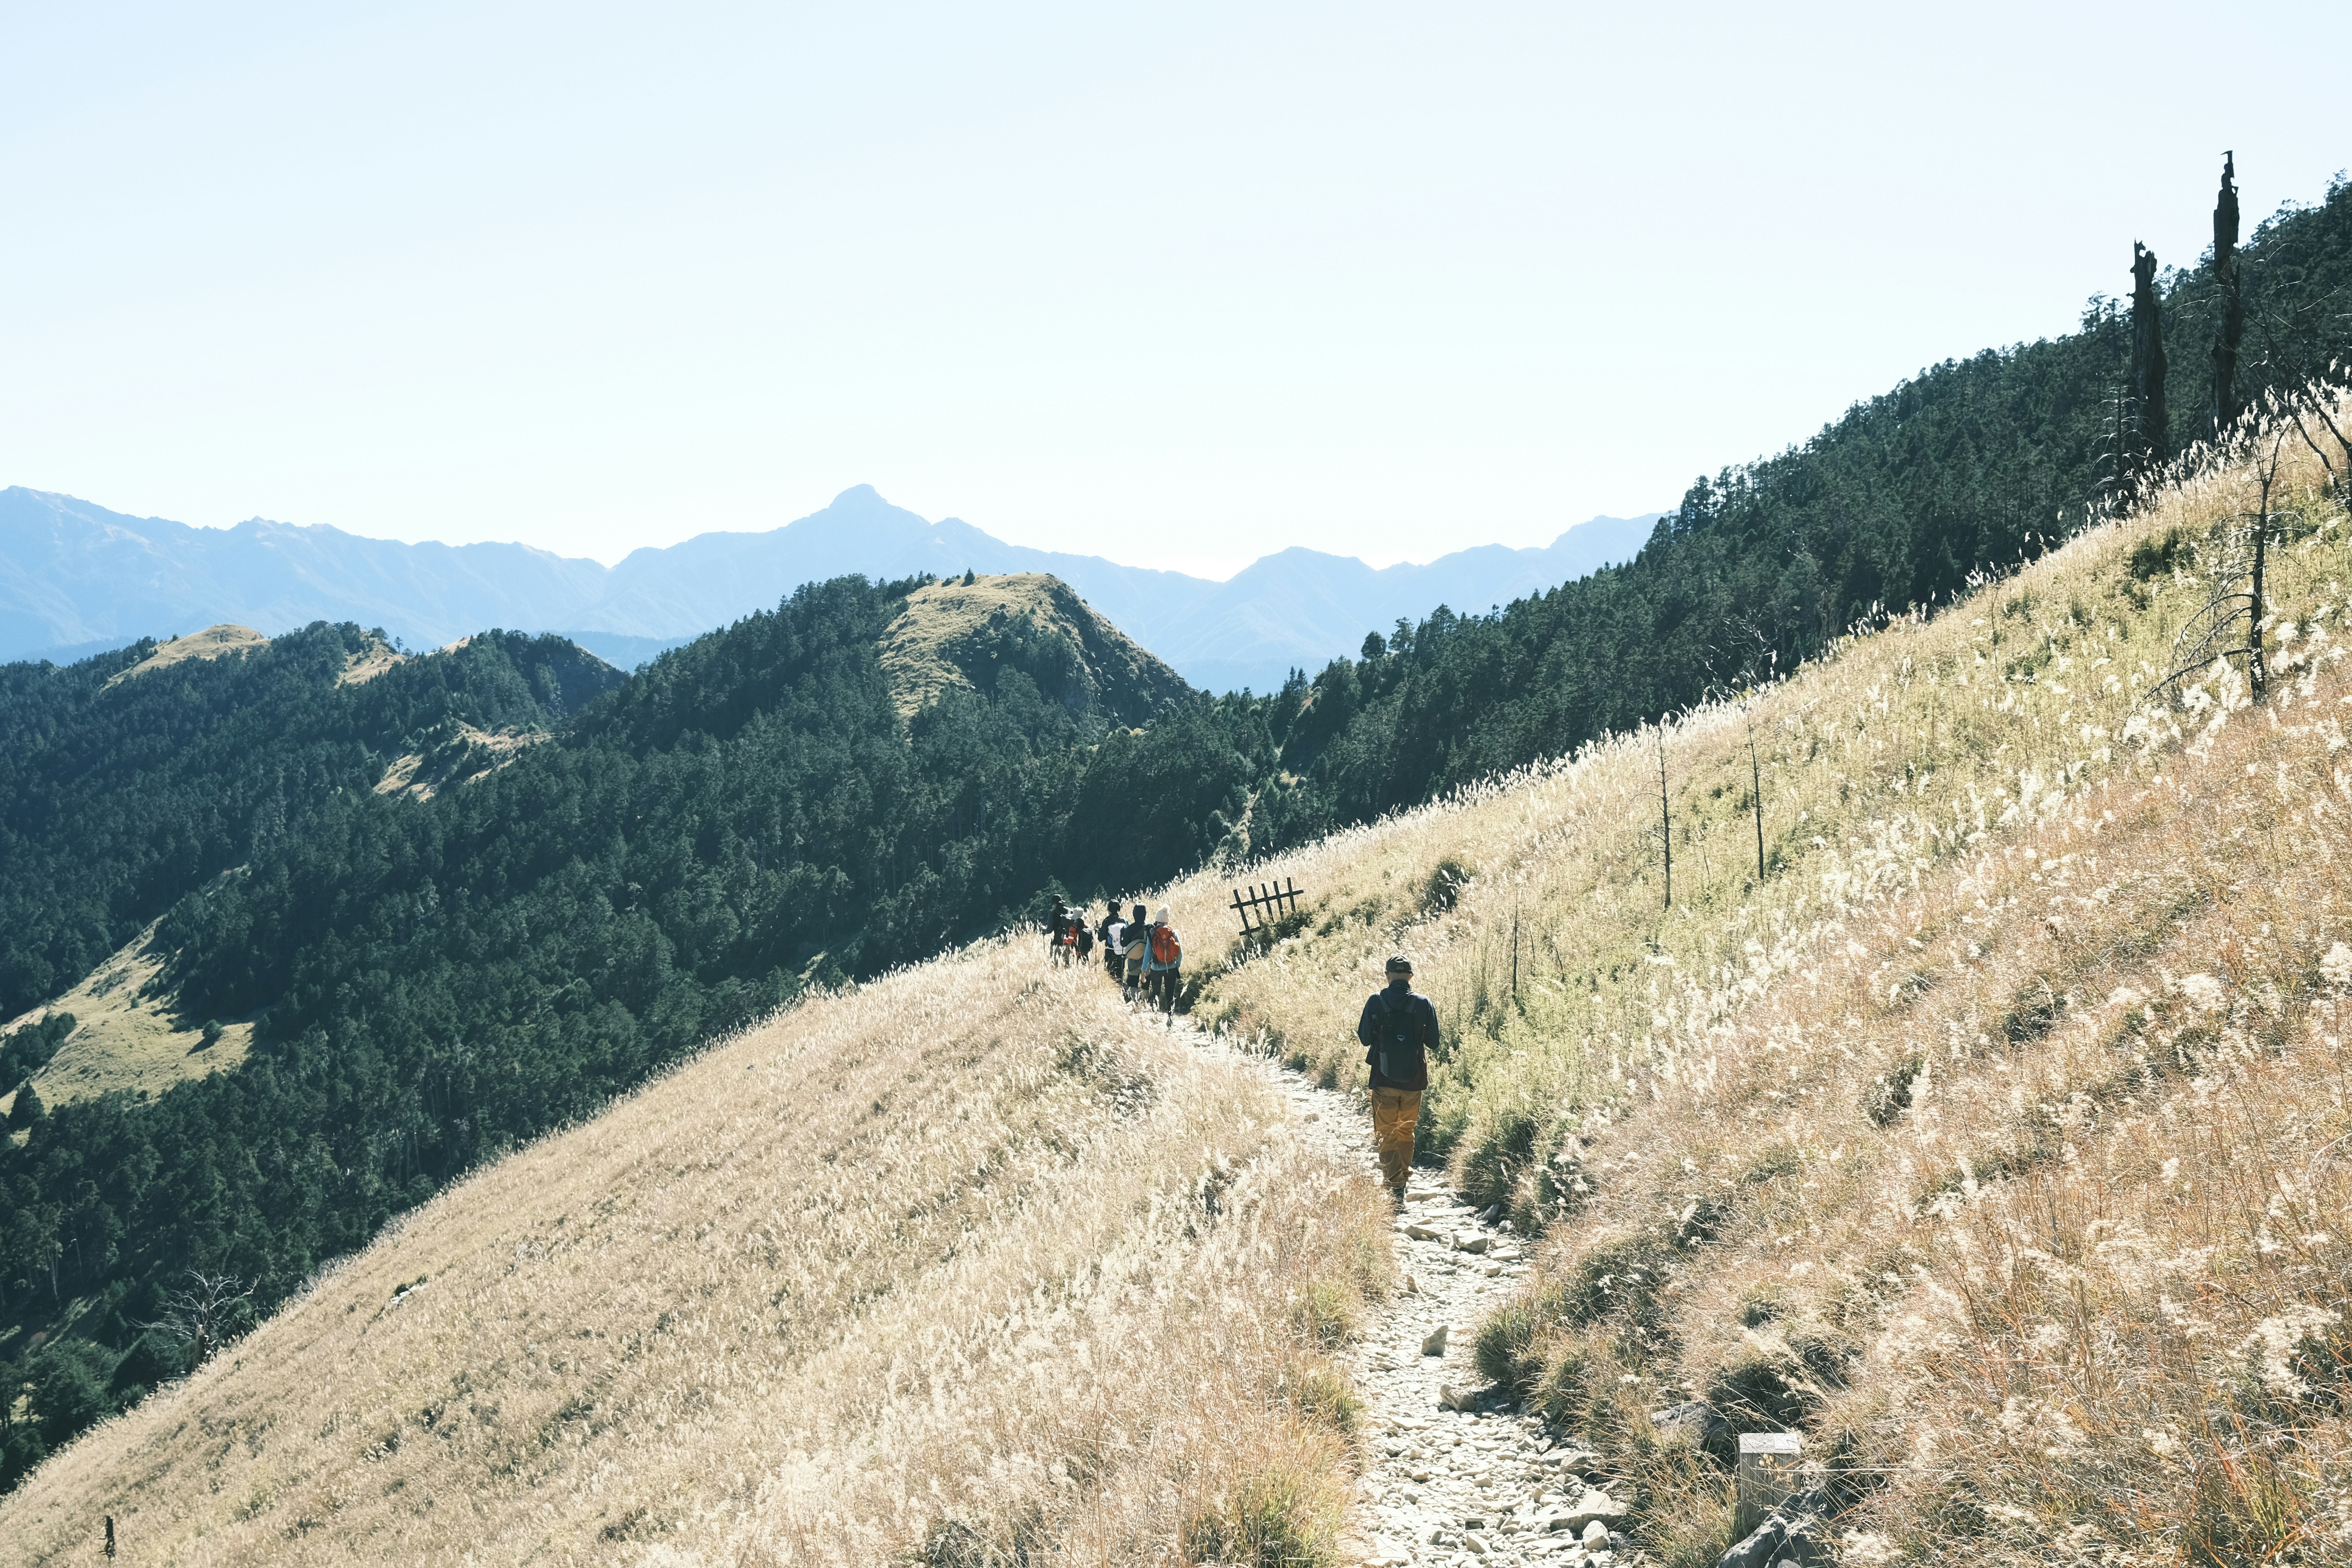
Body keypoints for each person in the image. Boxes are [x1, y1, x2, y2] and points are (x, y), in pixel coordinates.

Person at [1357, 956, 1438, 1205]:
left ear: (1387, 976)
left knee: (1387, 1133)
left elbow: (1365, 1039)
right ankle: (1401, 1177)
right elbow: (1434, 1042)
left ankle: (1395, 1186)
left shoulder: (1376, 1002)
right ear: (1411, 977)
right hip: (1414, 1082)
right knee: (1406, 1131)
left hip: (1384, 1081)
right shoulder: (1424, 1003)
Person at [1143, 903, 1182, 1012]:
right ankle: (1170, 1015)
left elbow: (1147, 954)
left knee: (1156, 993)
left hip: (1156, 969)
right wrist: (1176, 967)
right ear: (1167, 920)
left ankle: (1155, 1014)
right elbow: (1180, 954)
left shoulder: (1152, 933)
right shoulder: (1173, 933)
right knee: (1170, 995)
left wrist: (1143, 971)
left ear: (1157, 920)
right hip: (1172, 968)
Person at [1122, 902, 1150, 1000]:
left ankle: (1135, 1002)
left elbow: (1124, 944)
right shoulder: (1150, 927)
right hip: (1148, 962)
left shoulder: (1131, 928)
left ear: (1134, 915)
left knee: (1132, 983)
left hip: (1133, 961)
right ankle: (1145, 1002)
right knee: (1145, 984)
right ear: (1145, 914)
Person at [1098, 900, 1126, 979]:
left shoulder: (1107, 921)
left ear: (1109, 910)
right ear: (1119, 909)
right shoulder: (1124, 921)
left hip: (1110, 951)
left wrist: (1098, 931)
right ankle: (1121, 988)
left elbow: (1101, 938)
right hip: (1122, 951)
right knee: (1120, 973)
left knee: (1110, 973)